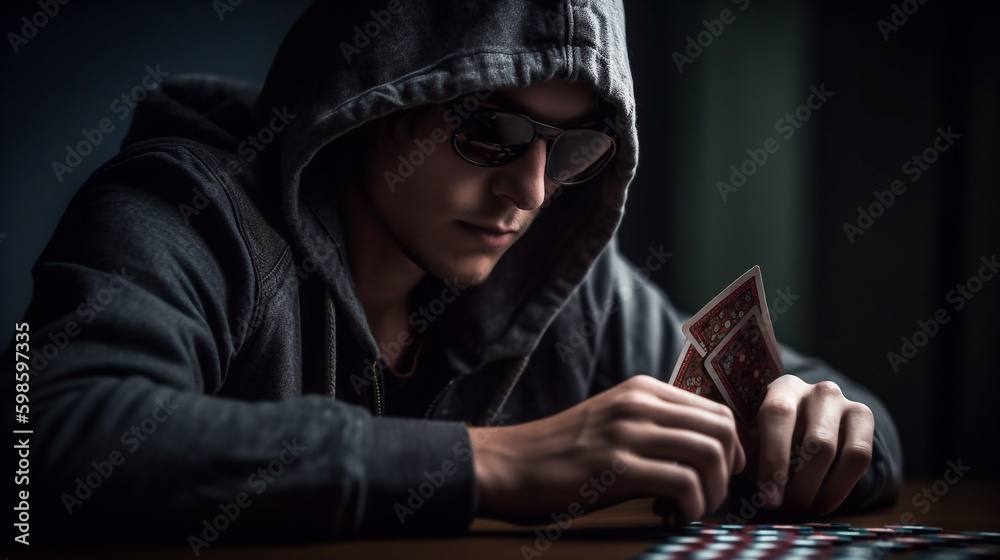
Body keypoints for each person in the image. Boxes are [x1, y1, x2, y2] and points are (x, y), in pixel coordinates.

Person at [11, 0, 901, 547]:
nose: (531, 192)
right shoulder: (181, 209)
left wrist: (827, 430)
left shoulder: (568, 292)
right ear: (367, 101)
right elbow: (47, 440)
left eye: (573, 146)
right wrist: (489, 466)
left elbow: (858, 425)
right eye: (490, 131)